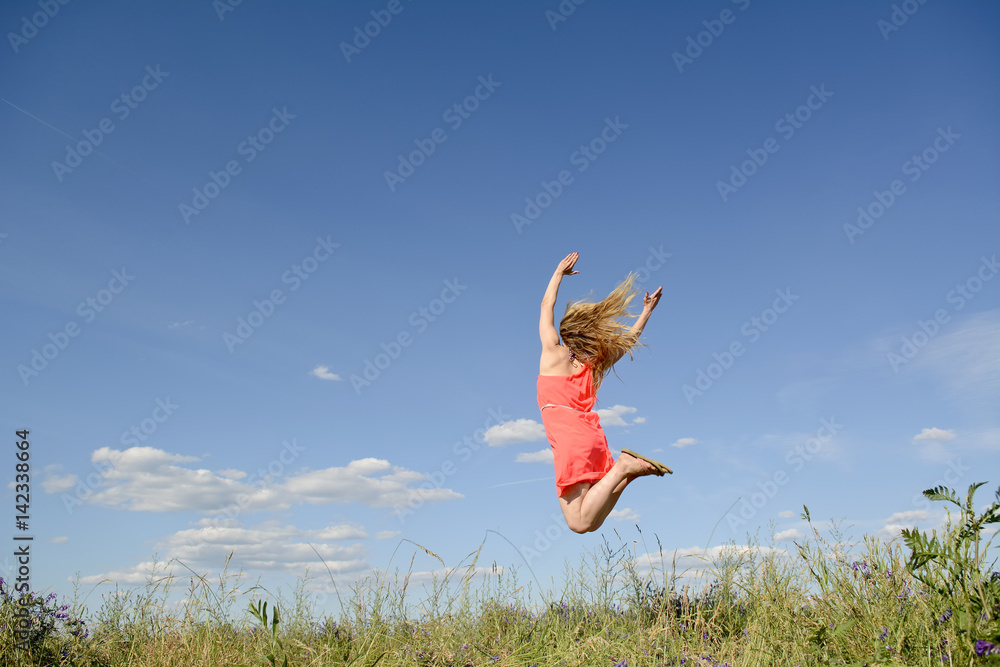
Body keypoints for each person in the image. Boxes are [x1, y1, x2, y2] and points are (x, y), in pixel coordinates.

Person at [537, 251, 670, 534]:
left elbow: (545, 305)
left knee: (578, 522)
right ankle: (626, 474)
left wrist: (558, 273)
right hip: (591, 436)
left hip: (571, 440)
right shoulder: (590, 366)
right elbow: (626, 343)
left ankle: (623, 467)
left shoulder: (553, 352)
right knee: (591, 522)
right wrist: (646, 312)